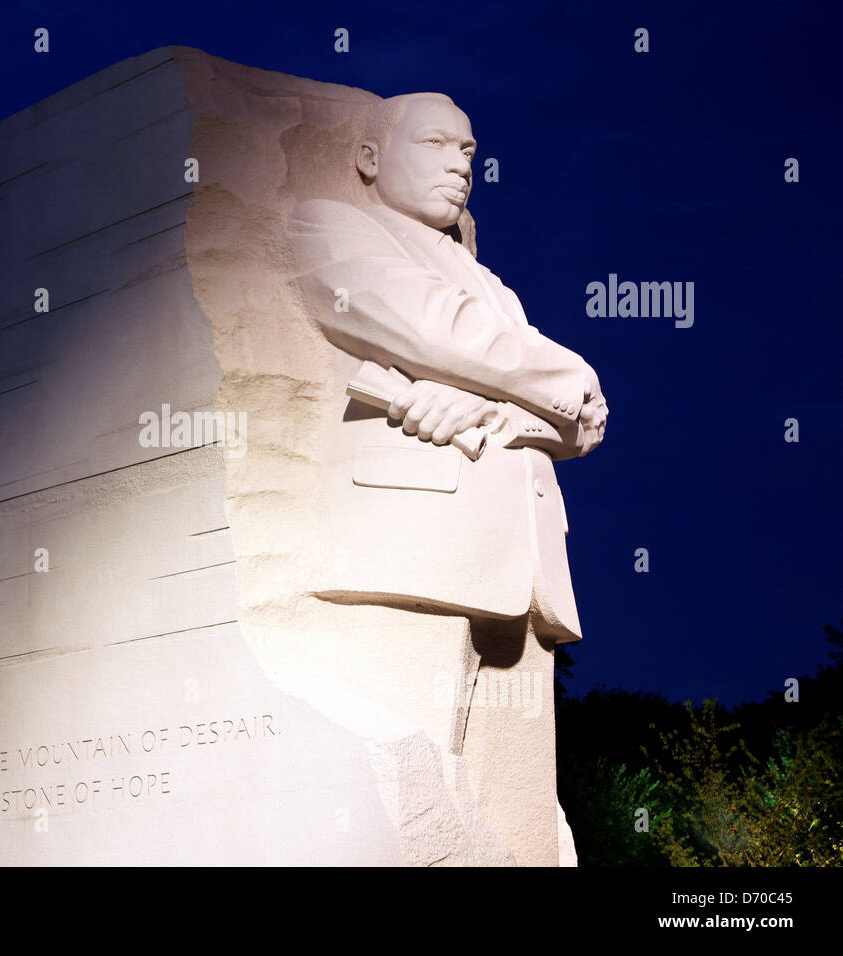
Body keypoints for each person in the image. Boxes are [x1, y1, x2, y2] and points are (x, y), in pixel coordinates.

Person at [287, 92, 608, 864]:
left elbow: (585, 422)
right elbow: (440, 330)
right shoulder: (326, 227)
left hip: (521, 561)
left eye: (468, 152)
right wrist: (569, 374)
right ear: (369, 158)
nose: (461, 165)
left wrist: (495, 407)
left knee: (525, 821)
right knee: (418, 797)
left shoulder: (490, 283)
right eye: (436, 144)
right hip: (412, 551)